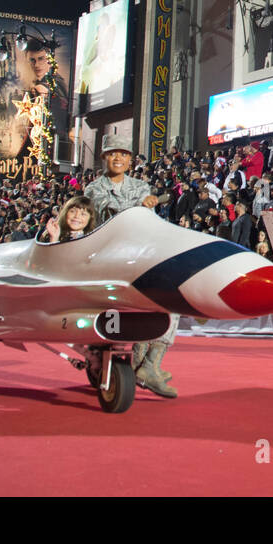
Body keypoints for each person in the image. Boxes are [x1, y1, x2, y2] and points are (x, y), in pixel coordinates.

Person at [83, 135, 174, 398]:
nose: (119, 159)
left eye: (124, 154)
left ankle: (148, 365)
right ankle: (138, 366)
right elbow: (106, 211)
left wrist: (148, 205)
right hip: (106, 259)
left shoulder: (140, 185)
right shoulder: (94, 188)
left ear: (130, 159)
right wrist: (140, 205)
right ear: (104, 158)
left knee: (168, 302)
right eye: (113, 154)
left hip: (137, 257)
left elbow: (147, 224)